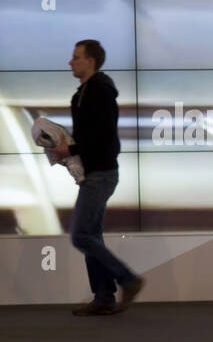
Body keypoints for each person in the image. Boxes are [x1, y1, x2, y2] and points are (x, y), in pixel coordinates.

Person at [50, 40, 144, 315]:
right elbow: (91, 137)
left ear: (90, 61)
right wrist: (68, 151)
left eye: (76, 57)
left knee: (80, 235)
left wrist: (70, 149)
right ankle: (104, 297)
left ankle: (127, 279)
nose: (71, 62)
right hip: (96, 172)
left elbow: (101, 138)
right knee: (91, 234)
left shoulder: (98, 92)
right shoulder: (86, 93)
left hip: (101, 174)